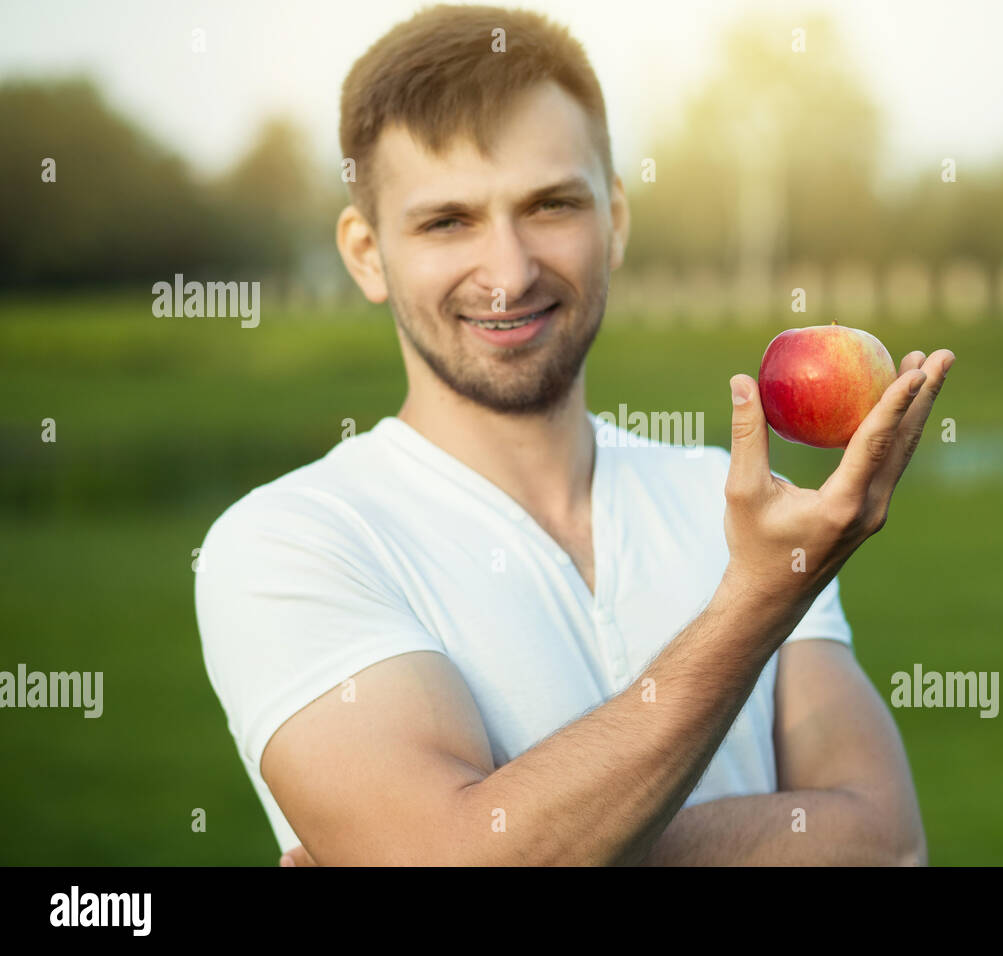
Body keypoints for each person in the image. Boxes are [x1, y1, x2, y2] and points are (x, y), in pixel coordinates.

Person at [195, 4, 954, 866]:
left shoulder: (739, 502)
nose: (510, 273)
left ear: (616, 219)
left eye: (550, 205)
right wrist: (756, 604)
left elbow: (887, 847)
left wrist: (531, 835)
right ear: (367, 253)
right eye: (448, 221)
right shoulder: (291, 542)